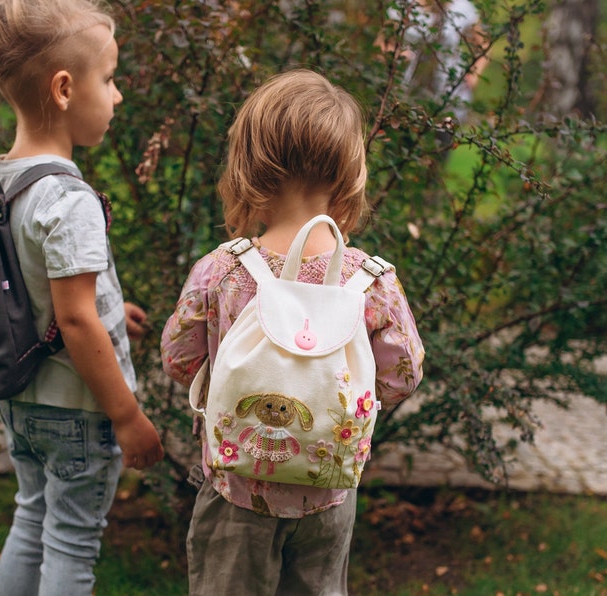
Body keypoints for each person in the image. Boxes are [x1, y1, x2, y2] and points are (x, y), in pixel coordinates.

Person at [160, 69, 425, 595]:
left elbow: (178, 358)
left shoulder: (222, 272)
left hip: (236, 490)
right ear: (348, 173)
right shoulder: (372, 282)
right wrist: (336, 393)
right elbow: (404, 373)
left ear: (250, 166)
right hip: (328, 492)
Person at [0, 1, 164, 594]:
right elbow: (74, 321)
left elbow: (38, 289)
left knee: (31, 519)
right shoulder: (70, 200)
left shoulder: (6, 181)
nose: (117, 95)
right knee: (72, 541)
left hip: (21, 400)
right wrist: (127, 416)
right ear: (65, 89)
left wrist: (111, 308)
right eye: (110, 79)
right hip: (80, 408)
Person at [382, 0, 489, 125]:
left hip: (448, 95)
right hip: (406, 92)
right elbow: (383, 43)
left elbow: (484, 43)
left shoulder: (462, 7)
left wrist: (473, 77)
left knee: (443, 134)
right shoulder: (402, 5)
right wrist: (397, 56)